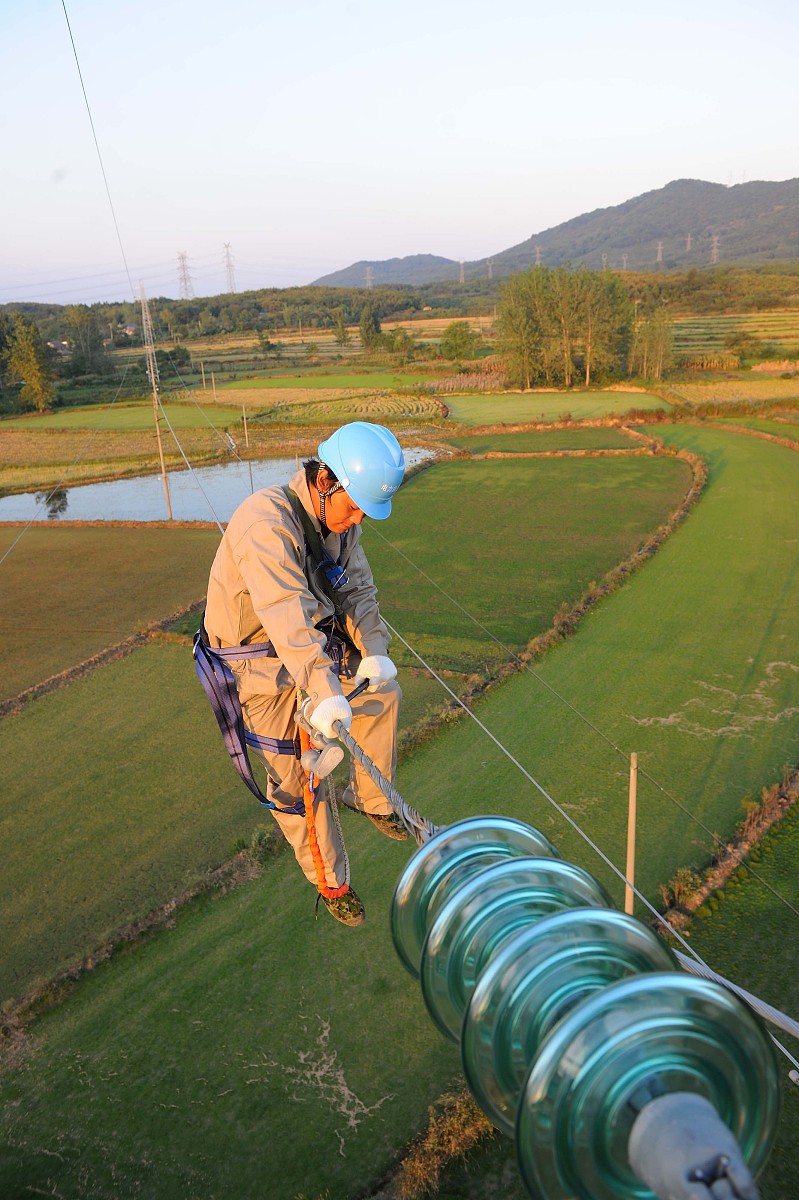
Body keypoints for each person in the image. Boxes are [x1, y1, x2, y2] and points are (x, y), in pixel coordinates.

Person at [198, 421, 407, 927]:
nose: (357, 519)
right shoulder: (265, 524)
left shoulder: (341, 522)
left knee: (382, 693)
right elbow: (286, 613)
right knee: (296, 784)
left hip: (310, 643)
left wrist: (374, 651)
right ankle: (331, 881)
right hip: (260, 666)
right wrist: (322, 689)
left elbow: (356, 589)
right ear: (324, 481)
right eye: (353, 506)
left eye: (362, 511)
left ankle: (374, 798)